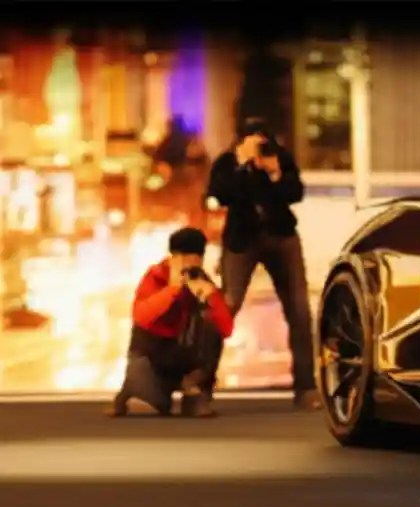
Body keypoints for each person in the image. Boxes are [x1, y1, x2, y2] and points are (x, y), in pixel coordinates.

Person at [205, 118, 321, 410]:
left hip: (281, 237)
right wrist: (242, 165)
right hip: (242, 240)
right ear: (240, 141)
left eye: (263, 139)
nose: (258, 145)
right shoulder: (227, 162)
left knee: (299, 311)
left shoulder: (279, 159)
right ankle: (202, 384)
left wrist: (275, 172)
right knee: (227, 306)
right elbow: (219, 194)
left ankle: (306, 388)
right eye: (252, 139)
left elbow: (296, 193)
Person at [108, 227, 234, 418]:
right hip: (152, 357)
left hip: (186, 359)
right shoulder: (155, 276)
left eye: (194, 259)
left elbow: (226, 329)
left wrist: (212, 299)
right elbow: (141, 315)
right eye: (182, 258)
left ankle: (195, 388)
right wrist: (173, 289)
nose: (188, 265)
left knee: (211, 325)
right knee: (145, 407)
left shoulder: (202, 281)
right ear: (173, 257)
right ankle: (136, 392)